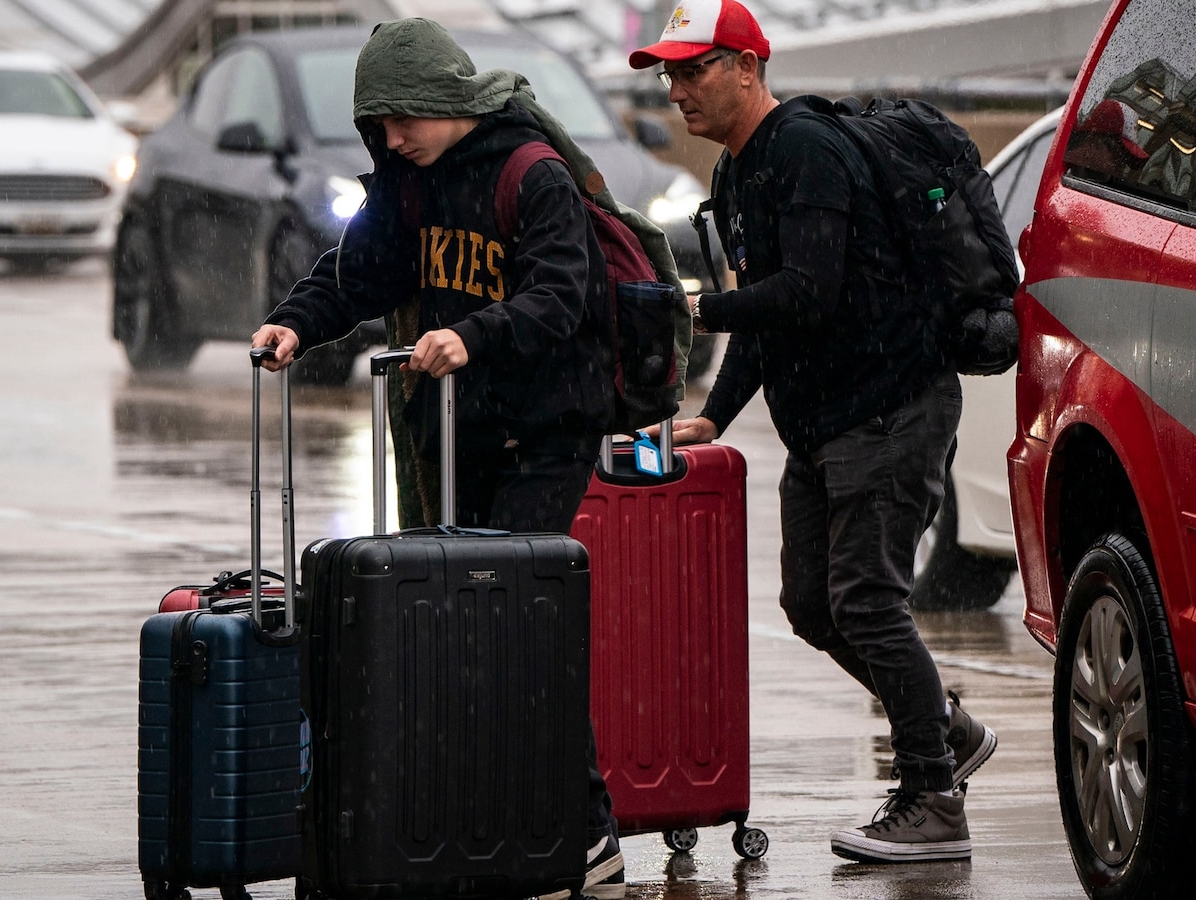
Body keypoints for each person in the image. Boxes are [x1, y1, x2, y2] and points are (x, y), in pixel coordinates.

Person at [251, 18, 624, 898]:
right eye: (376, 125)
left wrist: (473, 334)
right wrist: (296, 322)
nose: (390, 138)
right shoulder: (408, 181)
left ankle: (586, 833)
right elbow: (359, 272)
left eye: (401, 119)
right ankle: (495, 828)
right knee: (468, 634)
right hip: (461, 431)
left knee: (518, 629)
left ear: (444, 101)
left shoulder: (532, 172)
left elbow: (561, 297)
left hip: (548, 429)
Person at [628, 0, 998, 864]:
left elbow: (809, 292)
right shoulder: (737, 172)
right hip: (826, 421)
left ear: (748, 67)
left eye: (694, 70)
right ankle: (946, 731)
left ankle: (933, 800)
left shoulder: (804, 149)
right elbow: (769, 320)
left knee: (866, 601)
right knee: (812, 605)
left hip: (890, 406)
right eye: (670, 75)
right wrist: (714, 413)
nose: (677, 90)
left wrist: (696, 307)